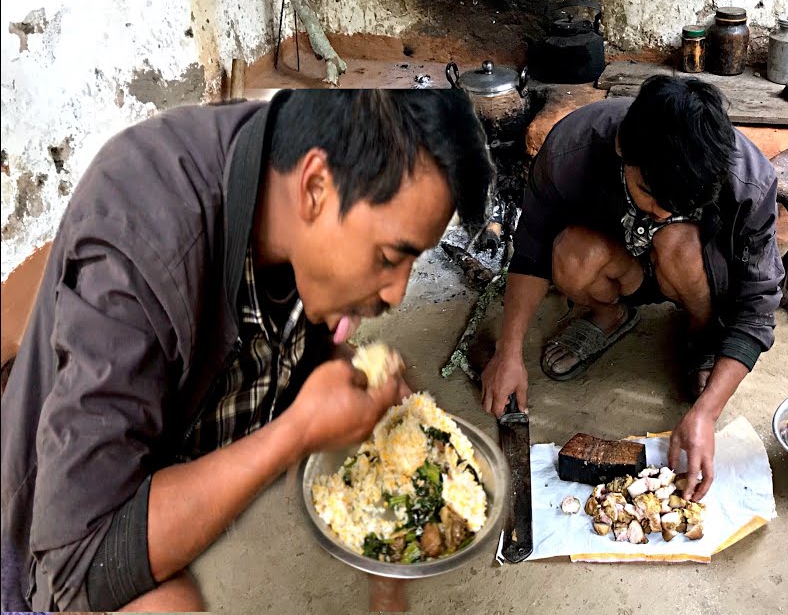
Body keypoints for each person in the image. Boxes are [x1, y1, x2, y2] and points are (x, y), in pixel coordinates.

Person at [0, 89, 494, 612]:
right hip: (52, 536)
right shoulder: (140, 241)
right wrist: (297, 431)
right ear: (315, 187)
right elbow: (79, 567)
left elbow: (310, 346)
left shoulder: (283, 172)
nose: (398, 292)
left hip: (170, 462)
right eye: (391, 256)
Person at [479, 75, 784, 502]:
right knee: (570, 254)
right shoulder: (572, 150)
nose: (659, 211)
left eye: (675, 204)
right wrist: (508, 352)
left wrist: (706, 415)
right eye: (648, 193)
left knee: (676, 239)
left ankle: (703, 337)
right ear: (623, 149)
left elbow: (757, 309)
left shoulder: (747, 178)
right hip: (617, 265)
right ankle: (609, 315)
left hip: (691, 272)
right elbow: (530, 253)